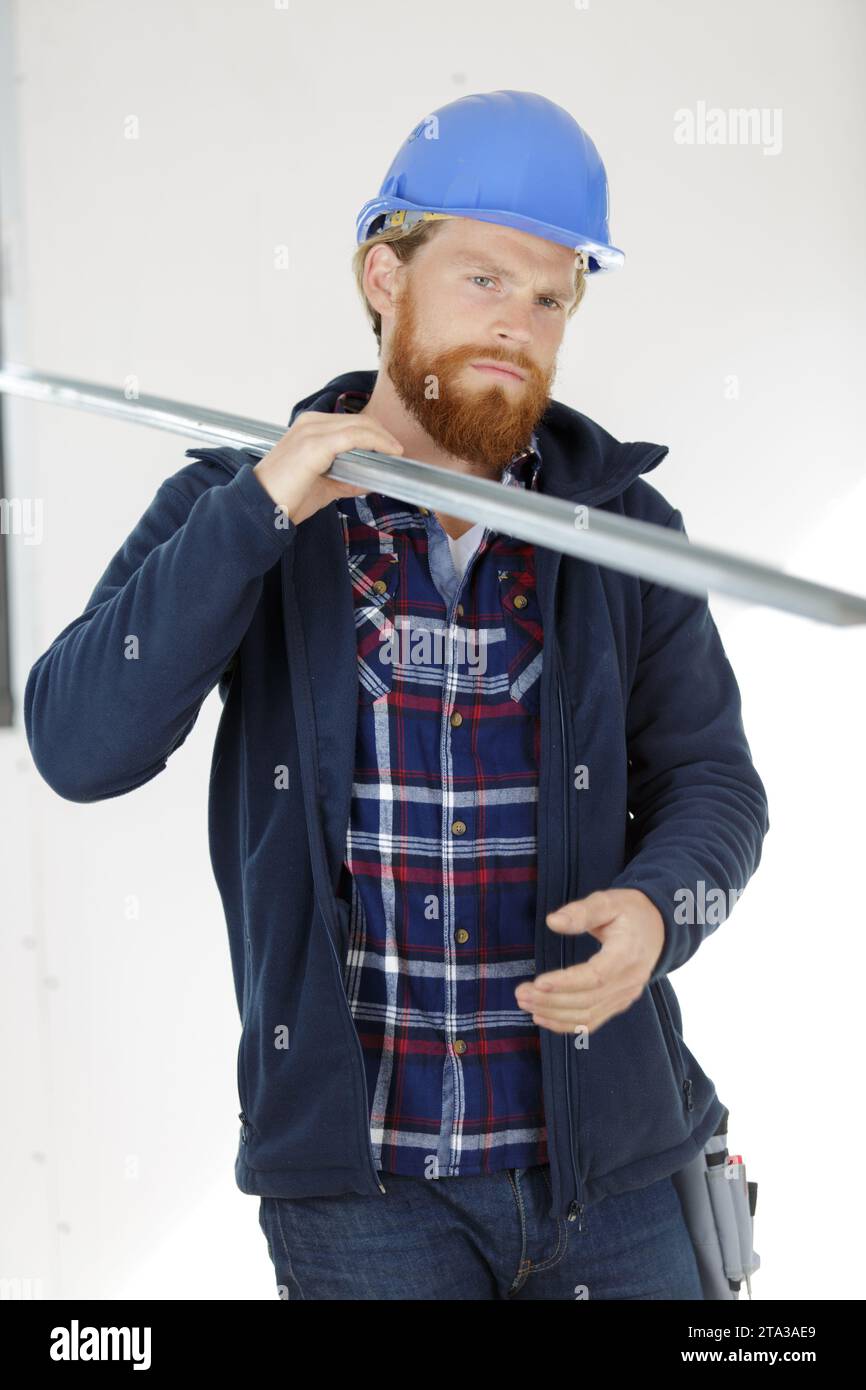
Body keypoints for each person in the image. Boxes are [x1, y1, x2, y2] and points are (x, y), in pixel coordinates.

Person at [24, 90, 770, 1300]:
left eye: (549, 296)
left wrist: (654, 911)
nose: (518, 324)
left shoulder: (625, 532)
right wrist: (253, 518)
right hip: (360, 1207)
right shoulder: (236, 513)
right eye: (481, 278)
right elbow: (77, 745)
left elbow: (713, 786)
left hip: (619, 1179)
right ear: (385, 275)